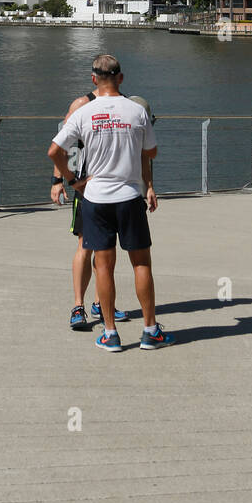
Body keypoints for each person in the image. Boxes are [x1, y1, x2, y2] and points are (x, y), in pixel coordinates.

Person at [48, 53, 174, 351]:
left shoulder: (83, 112)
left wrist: (71, 180)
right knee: (141, 263)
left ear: (94, 79)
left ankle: (110, 333)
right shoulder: (137, 110)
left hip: (96, 198)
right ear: (121, 77)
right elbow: (152, 152)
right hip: (129, 197)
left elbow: (54, 150)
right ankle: (150, 331)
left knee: (103, 266)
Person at [50, 88, 130, 330]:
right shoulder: (82, 104)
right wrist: (58, 180)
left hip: (114, 186)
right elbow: (62, 145)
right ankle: (78, 306)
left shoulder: (123, 104)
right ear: (97, 78)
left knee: (107, 248)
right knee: (85, 245)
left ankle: (101, 302)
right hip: (86, 187)